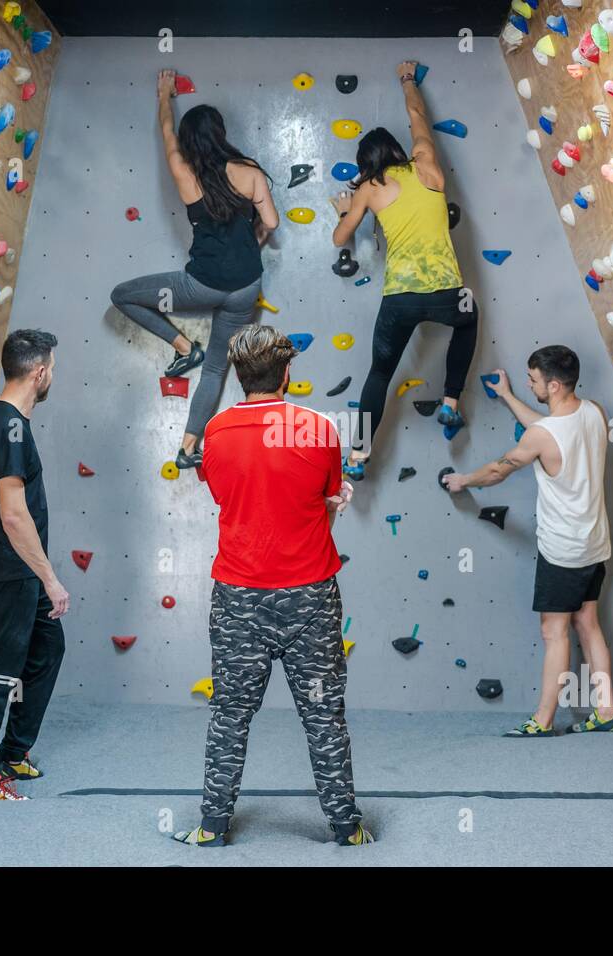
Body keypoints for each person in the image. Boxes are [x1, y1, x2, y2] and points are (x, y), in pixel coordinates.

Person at [173, 325, 373, 847]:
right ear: (287, 374)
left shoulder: (214, 432)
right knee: (324, 715)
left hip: (239, 596)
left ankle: (212, 828)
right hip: (310, 595)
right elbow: (324, 505)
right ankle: (347, 830)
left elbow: (231, 499)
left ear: (240, 376)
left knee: (230, 715)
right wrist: (333, 505)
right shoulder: (318, 430)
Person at [442, 346, 613, 737]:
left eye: (534, 380)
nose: (529, 383)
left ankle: (542, 720)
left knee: (553, 631)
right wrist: (507, 396)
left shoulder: (543, 436)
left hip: (563, 550)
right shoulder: (593, 412)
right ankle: (606, 710)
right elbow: (548, 427)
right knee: (588, 623)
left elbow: (496, 471)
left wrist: (462, 480)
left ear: (553, 384)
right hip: (594, 543)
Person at [110, 69, 280, 471]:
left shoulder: (182, 169)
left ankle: (185, 348)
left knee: (122, 295)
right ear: (221, 134)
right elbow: (271, 224)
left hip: (201, 285)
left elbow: (167, 132)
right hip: (245, 287)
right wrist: (252, 239)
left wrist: (164, 95)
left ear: (190, 143)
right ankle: (188, 447)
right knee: (218, 369)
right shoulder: (249, 171)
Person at [330, 59, 478, 480]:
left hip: (400, 298)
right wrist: (407, 79)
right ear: (398, 152)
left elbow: (341, 238)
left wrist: (346, 210)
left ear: (366, 164)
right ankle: (450, 404)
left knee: (379, 374)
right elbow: (417, 116)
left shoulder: (367, 189)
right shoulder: (426, 165)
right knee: (470, 318)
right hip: (449, 293)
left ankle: (357, 457)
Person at [0, 329, 70, 800]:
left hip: (21, 572)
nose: (52, 378)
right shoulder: (6, 426)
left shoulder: (1, 421)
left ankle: (13, 752)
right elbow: (12, 512)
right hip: (10, 572)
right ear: (40, 372)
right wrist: (51, 578)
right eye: (53, 370)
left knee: (47, 651)